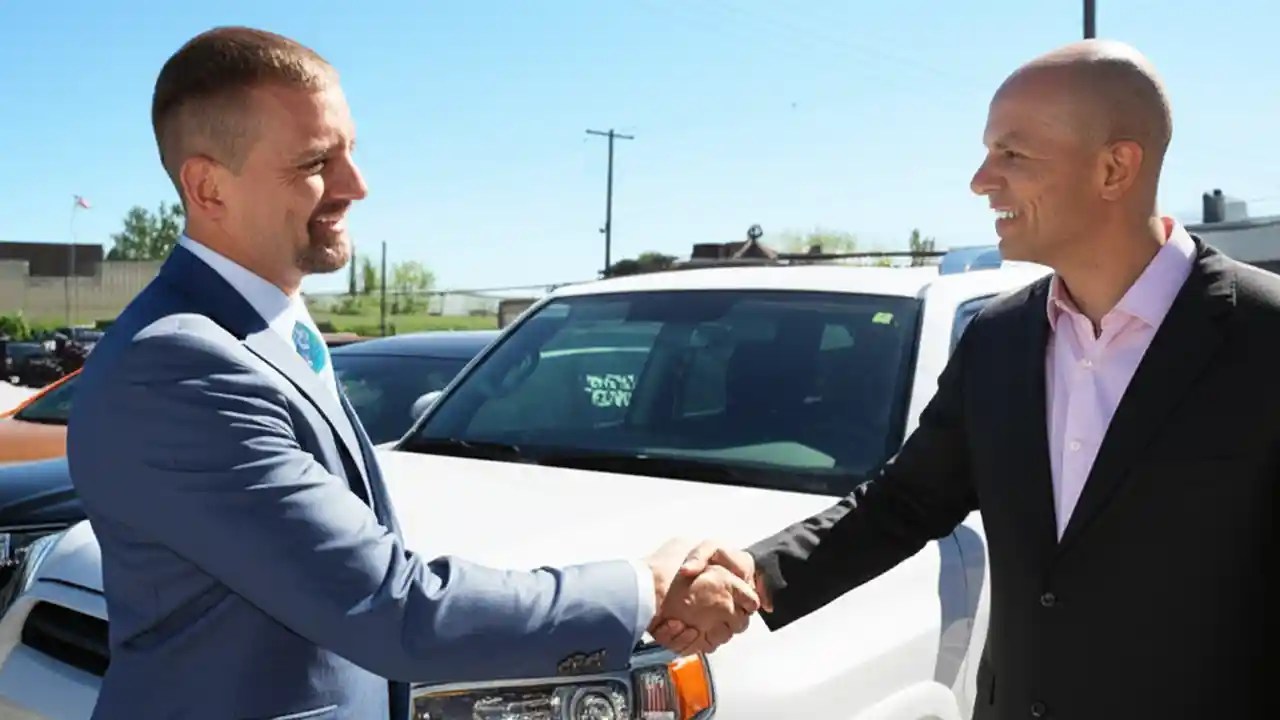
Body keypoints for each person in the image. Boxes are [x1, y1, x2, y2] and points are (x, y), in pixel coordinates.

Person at [66, 27, 754, 720]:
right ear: (208, 187)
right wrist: (646, 586)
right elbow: (392, 609)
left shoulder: (259, 327)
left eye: (351, 152)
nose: (355, 185)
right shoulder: (180, 366)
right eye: (315, 162)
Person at [659, 39, 1276, 719]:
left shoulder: (1263, 336)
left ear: (1113, 168)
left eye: (1012, 154)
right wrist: (754, 574)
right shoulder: (1000, 338)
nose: (981, 180)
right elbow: (905, 502)